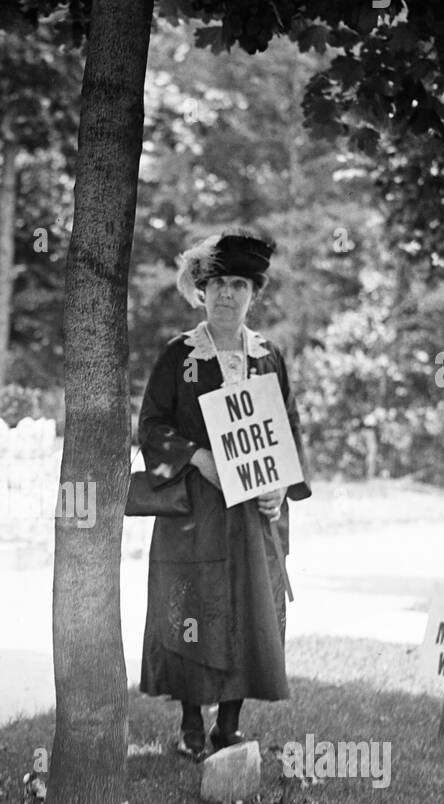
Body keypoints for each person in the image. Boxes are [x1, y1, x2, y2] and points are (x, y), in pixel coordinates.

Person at [136, 228, 312, 762]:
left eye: (239, 284)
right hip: (198, 508)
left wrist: (280, 486)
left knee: (249, 608)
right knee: (194, 606)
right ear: (200, 289)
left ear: (253, 293)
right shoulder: (179, 356)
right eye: (216, 283)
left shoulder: (268, 356)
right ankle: (192, 723)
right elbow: (151, 426)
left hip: (255, 513)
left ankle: (229, 725)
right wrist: (197, 456)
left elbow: (287, 428)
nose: (227, 295)